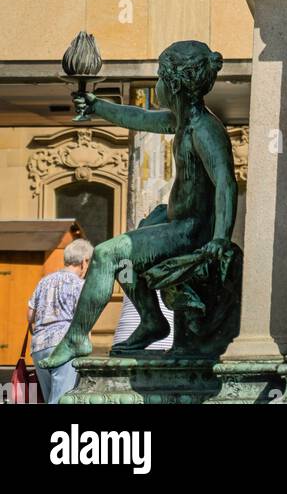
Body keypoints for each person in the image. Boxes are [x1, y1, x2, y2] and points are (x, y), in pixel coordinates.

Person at [43, 41, 237, 369]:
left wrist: (221, 236)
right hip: (176, 223)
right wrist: (96, 106)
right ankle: (151, 320)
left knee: (107, 253)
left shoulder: (205, 130)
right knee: (126, 258)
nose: (157, 84)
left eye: (160, 77)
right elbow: (139, 117)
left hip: (189, 232)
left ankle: (77, 337)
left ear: (174, 84)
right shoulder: (184, 121)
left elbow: (226, 184)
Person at [28, 238, 93, 403]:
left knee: (50, 397)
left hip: (39, 347)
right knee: (61, 400)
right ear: (84, 261)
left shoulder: (44, 282)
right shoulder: (80, 285)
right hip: (64, 347)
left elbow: (30, 315)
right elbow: (84, 321)